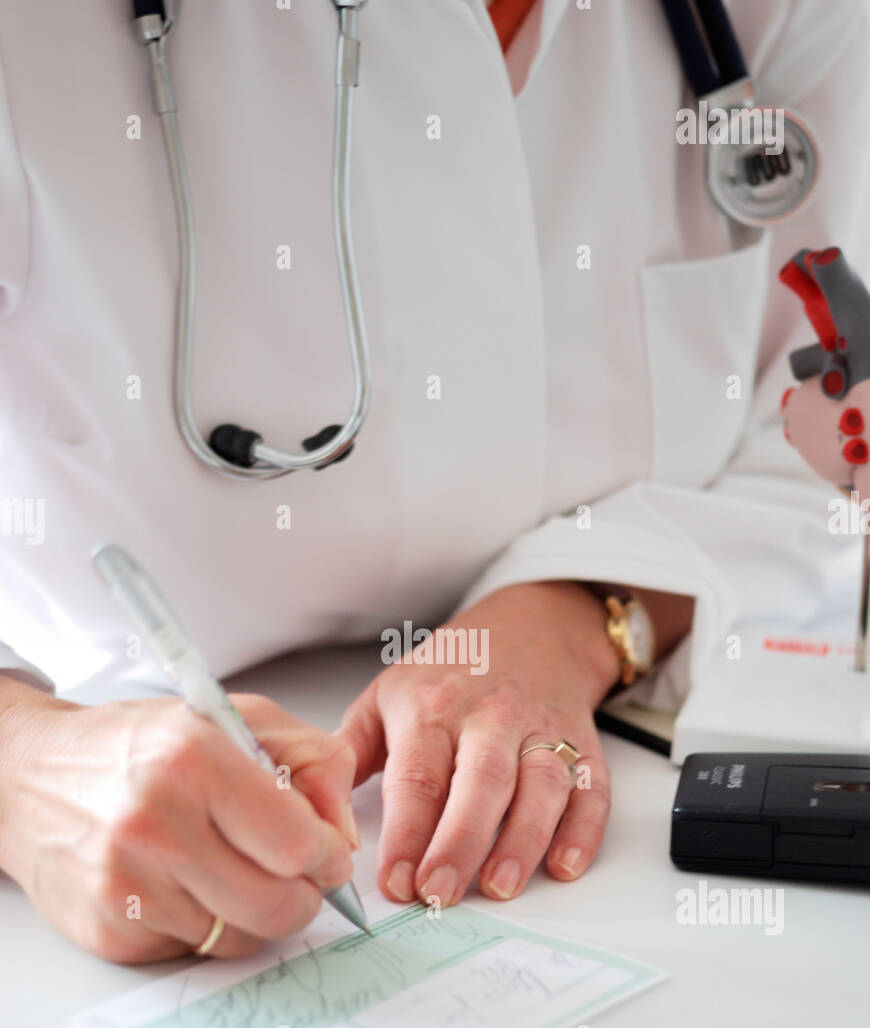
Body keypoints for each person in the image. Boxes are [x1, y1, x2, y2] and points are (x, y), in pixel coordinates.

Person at [0, 0, 867, 961]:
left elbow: (829, 420)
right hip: (99, 915)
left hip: (625, 862)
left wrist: (574, 614)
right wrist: (26, 764)